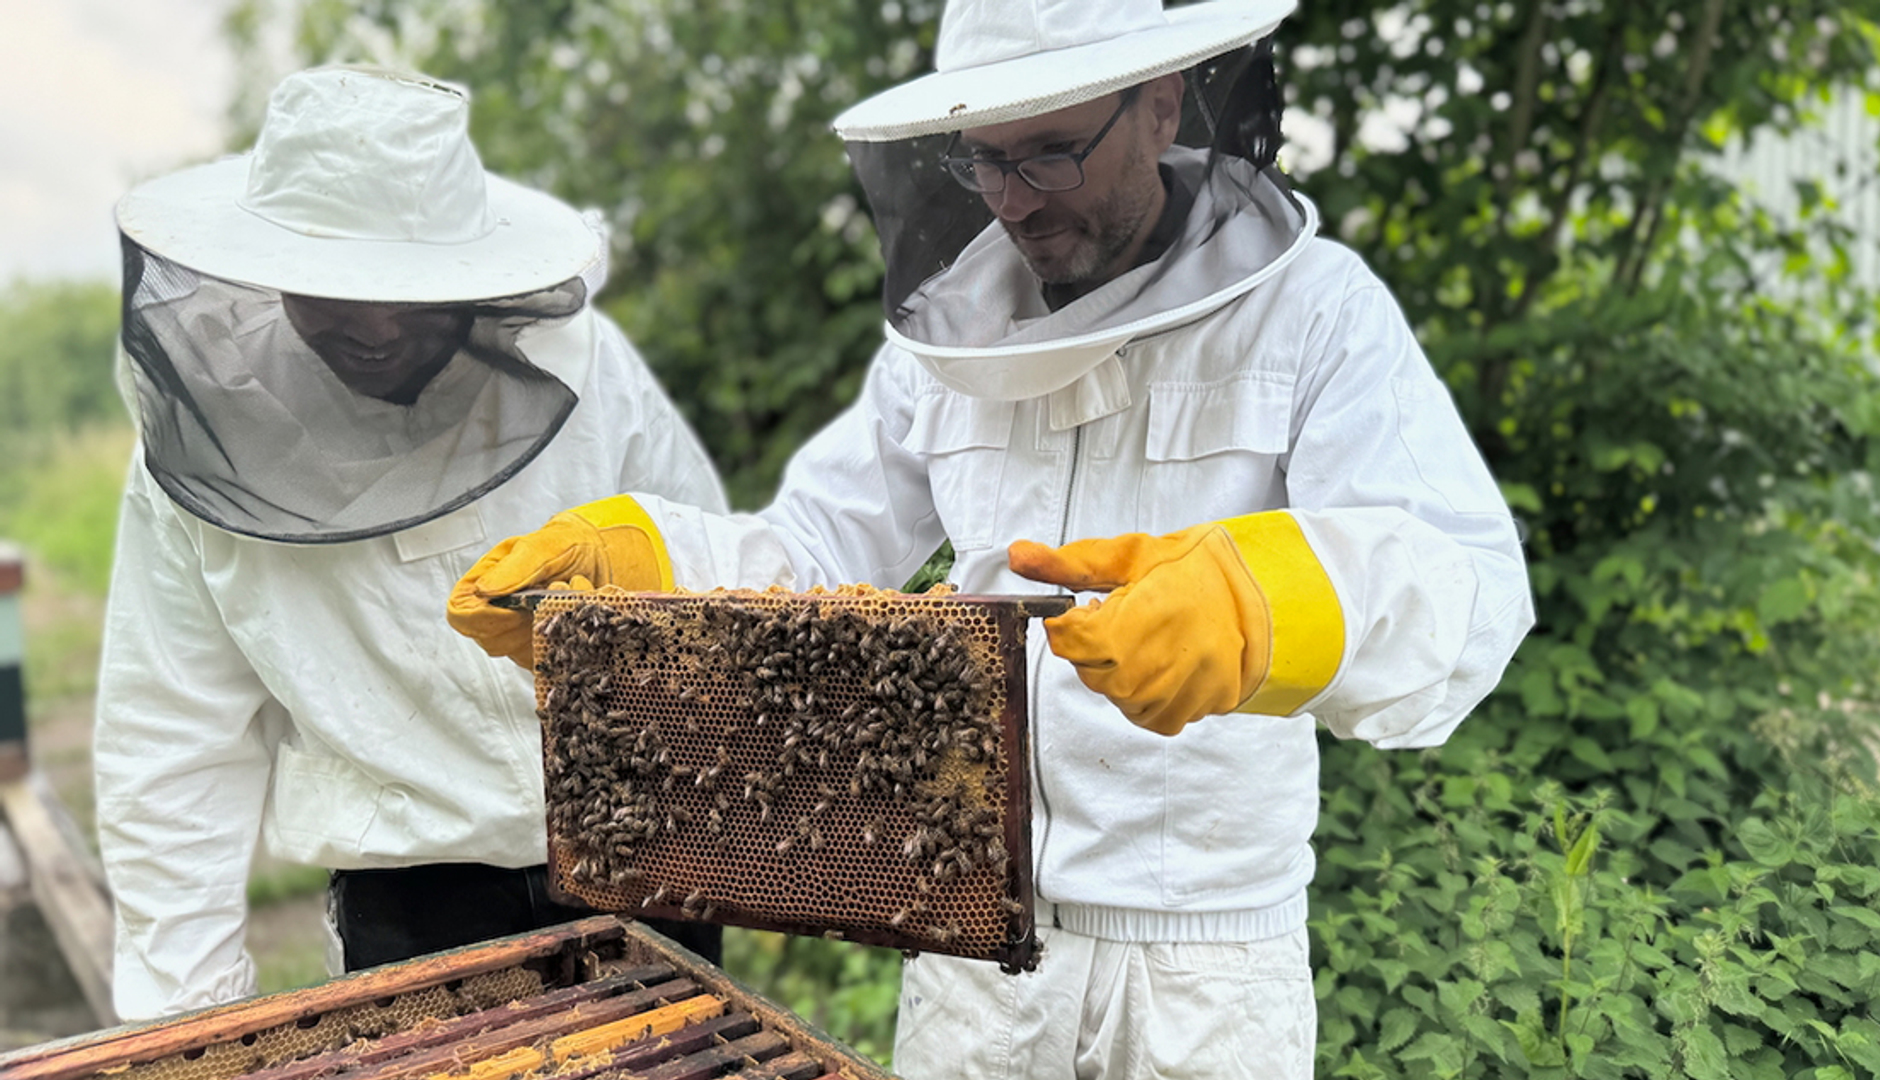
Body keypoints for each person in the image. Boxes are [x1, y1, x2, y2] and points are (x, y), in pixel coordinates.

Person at [447, 0, 1534, 1074]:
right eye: (985, 161)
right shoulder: (954, 338)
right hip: (969, 941)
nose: (1013, 200)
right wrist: (646, 573)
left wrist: (1276, 602)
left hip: (1201, 969)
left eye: (1052, 153)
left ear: (1161, 109)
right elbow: (818, 543)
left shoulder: (1313, 310)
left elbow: (1469, 585)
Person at [95, 65, 729, 1022]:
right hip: (413, 908)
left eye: (412, 290)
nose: (378, 326)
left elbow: (722, 581)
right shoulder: (207, 447)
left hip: (651, 857)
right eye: (335, 290)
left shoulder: (591, 373)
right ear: (271, 267)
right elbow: (171, 739)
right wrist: (187, 1020)